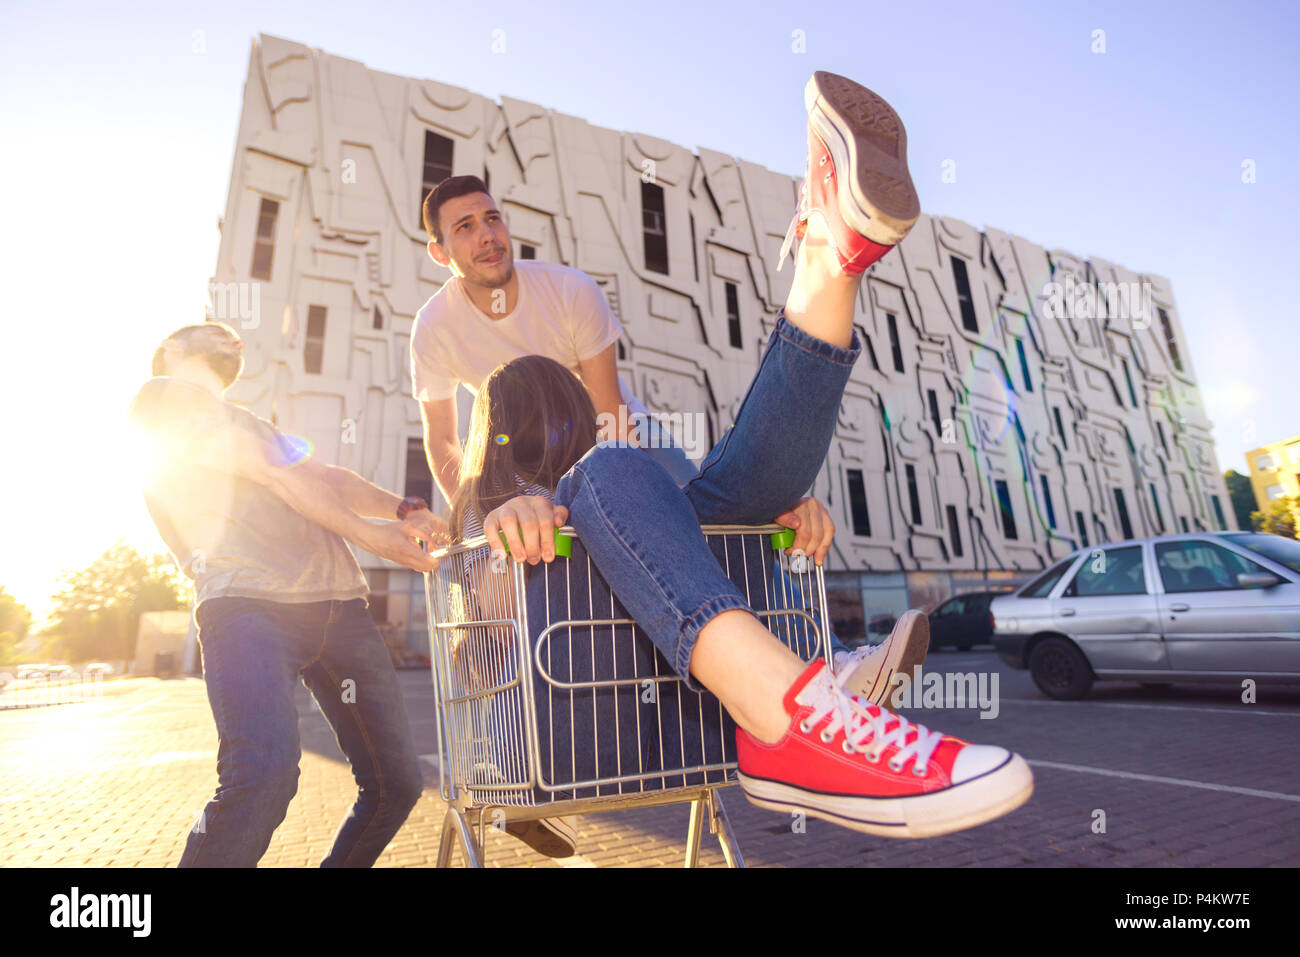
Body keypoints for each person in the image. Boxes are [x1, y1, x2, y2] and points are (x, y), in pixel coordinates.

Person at [452, 72, 1033, 837]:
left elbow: (681, 511)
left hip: (683, 721)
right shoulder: (485, 517)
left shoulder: (606, 479)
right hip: (559, 733)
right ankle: (810, 704)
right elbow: (485, 633)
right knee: (614, 471)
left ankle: (827, 257)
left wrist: (766, 521)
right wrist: (509, 522)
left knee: (717, 498)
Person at [129, 321, 445, 867]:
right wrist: (374, 537)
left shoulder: (251, 422)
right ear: (172, 348)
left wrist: (405, 509)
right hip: (248, 607)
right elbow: (268, 474)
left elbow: (324, 478)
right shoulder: (163, 401)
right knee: (265, 777)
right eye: (215, 332)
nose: (234, 340)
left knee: (397, 784)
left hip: (340, 610)